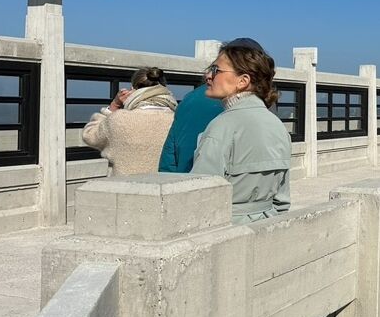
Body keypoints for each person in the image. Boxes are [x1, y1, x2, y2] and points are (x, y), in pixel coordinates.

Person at [191, 38, 292, 224]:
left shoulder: (222, 126)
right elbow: (282, 201)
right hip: (267, 226)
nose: (208, 75)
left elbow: (199, 197)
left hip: (225, 229)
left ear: (243, 81)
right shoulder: (278, 126)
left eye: (216, 70)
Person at [82, 67, 177, 176]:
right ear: (164, 88)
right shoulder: (176, 120)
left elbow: (89, 136)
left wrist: (114, 106)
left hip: (124, 189)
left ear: (132, 89)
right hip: (163, 188)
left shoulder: (119, 119)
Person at [158, 84, 224, 173]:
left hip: (184, 177)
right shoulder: (233, 99)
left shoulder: (189, 98)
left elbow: (170, 154)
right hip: (222, 178)